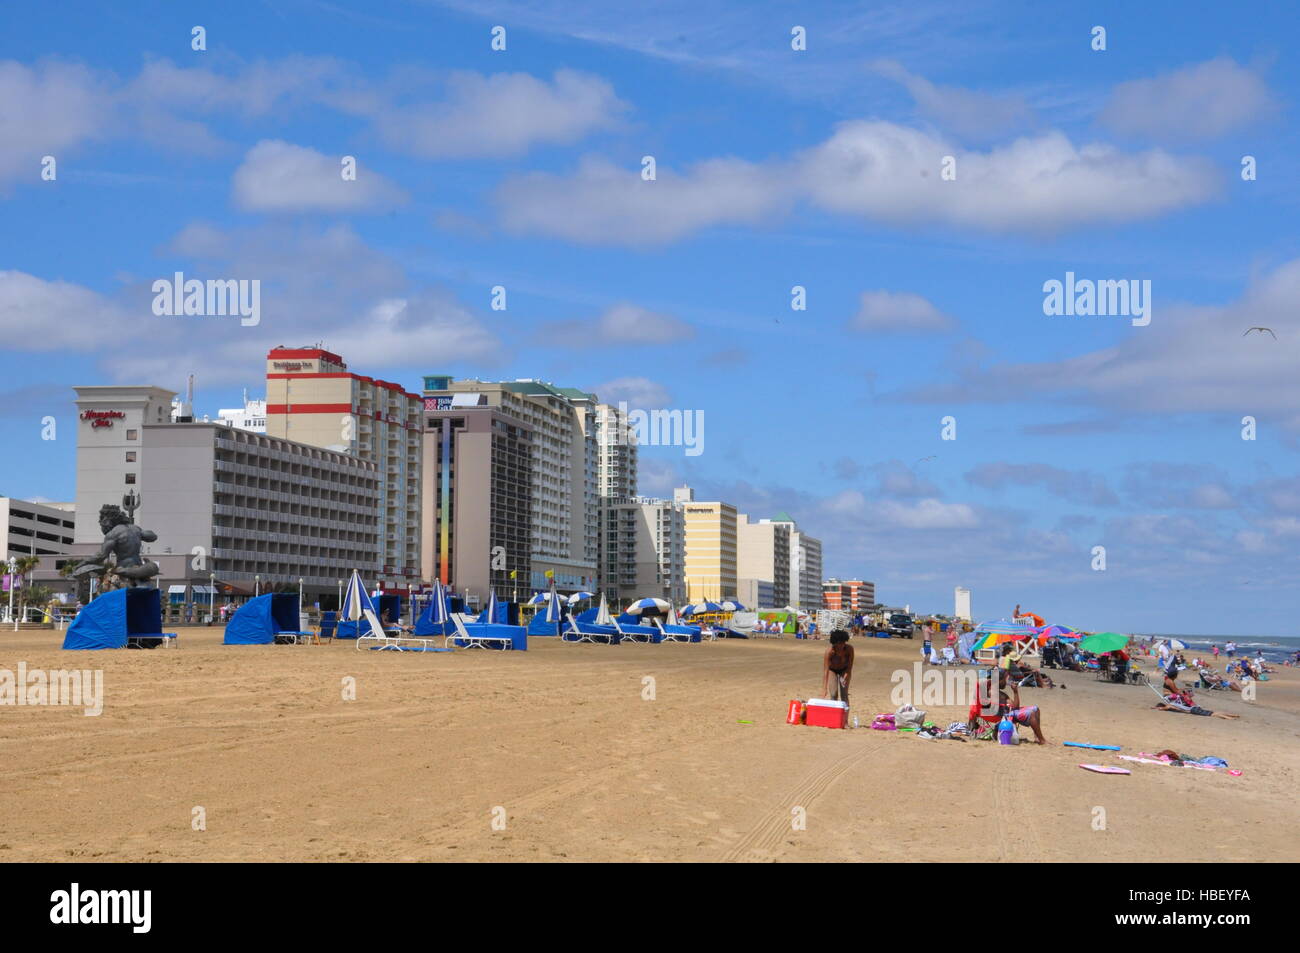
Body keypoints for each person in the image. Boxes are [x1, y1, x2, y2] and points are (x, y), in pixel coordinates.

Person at [999, 666, 1047, 744]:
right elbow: (1016, 707)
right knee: (1031, 714)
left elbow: (1014, 706)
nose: (1006, 681)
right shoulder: (998, 694)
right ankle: (1042, 740)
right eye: (1005, 679)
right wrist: (1015, 692)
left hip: (1009, 711)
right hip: (1006, 715)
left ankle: (1037, 738)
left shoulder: (997, 692)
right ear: (999, 680)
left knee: (1036, 709)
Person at [822, 629, 854, 706]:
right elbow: (826, 671)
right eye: (839, 643)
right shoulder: (829, 652)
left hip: (844, 670)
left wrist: (846, 676)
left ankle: (845, 717)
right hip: (832, 670)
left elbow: (850, 666)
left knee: (844, 695)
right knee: (833, 694)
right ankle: (834, 715)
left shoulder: (849, 649)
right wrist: (824, 688)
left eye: (843, 642)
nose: (842, 645)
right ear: (834, 643)